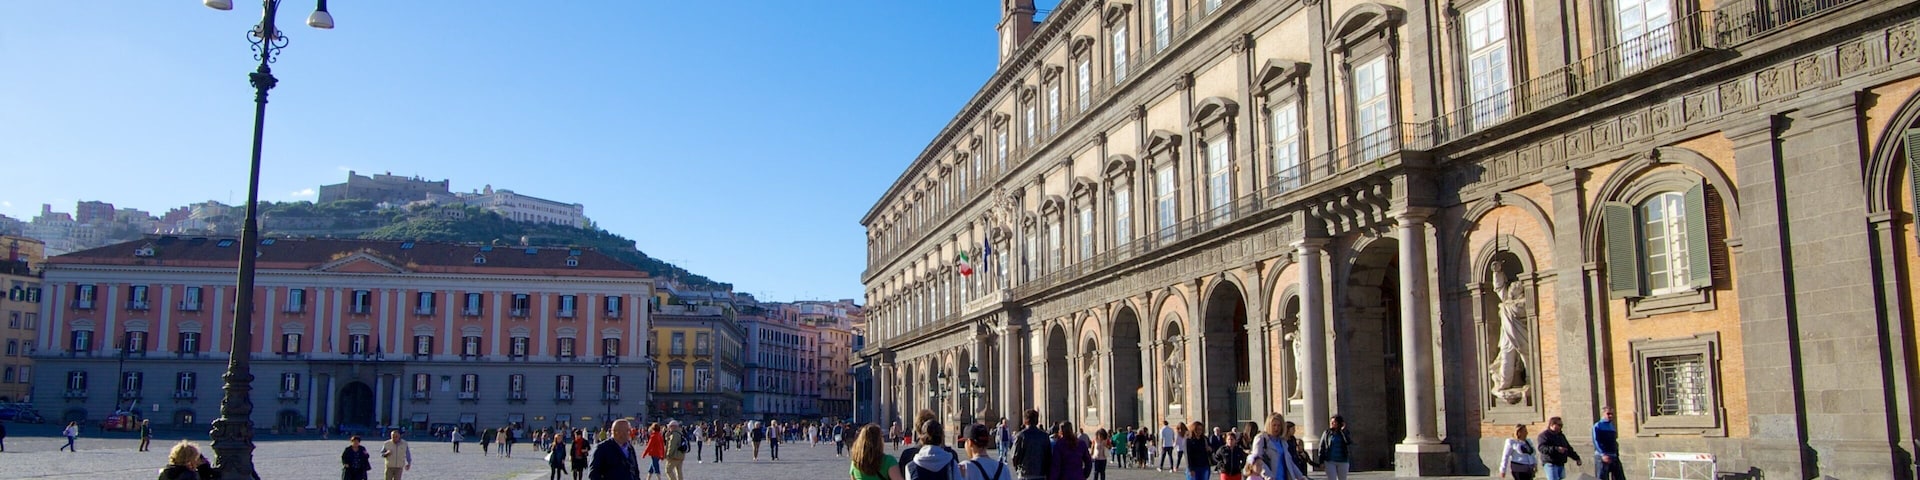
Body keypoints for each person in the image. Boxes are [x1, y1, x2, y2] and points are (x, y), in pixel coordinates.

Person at [1245, 414, 1306, 480]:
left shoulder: (1282, 441)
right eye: (1274, 425)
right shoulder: (1262, 438)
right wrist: (1268, 476)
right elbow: (1257, 461)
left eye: (1279, 425)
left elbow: (1290, 462)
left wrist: (1300, 476)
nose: (1276, 428)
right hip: (1268, 477)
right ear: (1269, 425)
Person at [1010, 410, 1051, 480]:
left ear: (1025, 420)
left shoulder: (1021, 436)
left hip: (1025, 474)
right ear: (1037, 421)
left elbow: (1015, 455)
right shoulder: (1044, 436)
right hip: (1040, 474)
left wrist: (1018, 469)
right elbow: (1048, 456)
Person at [1315, 415, 1353, 480]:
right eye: (1331, 422)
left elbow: (1348, 442)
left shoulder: (1344, 433)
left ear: (1339, 423)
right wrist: (1321, 461)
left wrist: (1343, 431)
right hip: (1330, 461)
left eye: (1334, 422)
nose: (1332, 423)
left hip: (1343, 460)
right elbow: (1322, 447)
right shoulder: (1327, 433)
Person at [1593, 408, 1624, 480]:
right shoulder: (1598, 425)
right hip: (1602, 456)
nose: (1610, 416)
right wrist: (1602, 454)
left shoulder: (1612, 426)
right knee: (1602, 477)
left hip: (1613, 456)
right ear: (1603, 414)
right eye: (1608, 414)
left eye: (1611, 414)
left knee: (1620, 477)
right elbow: (1596, 440)